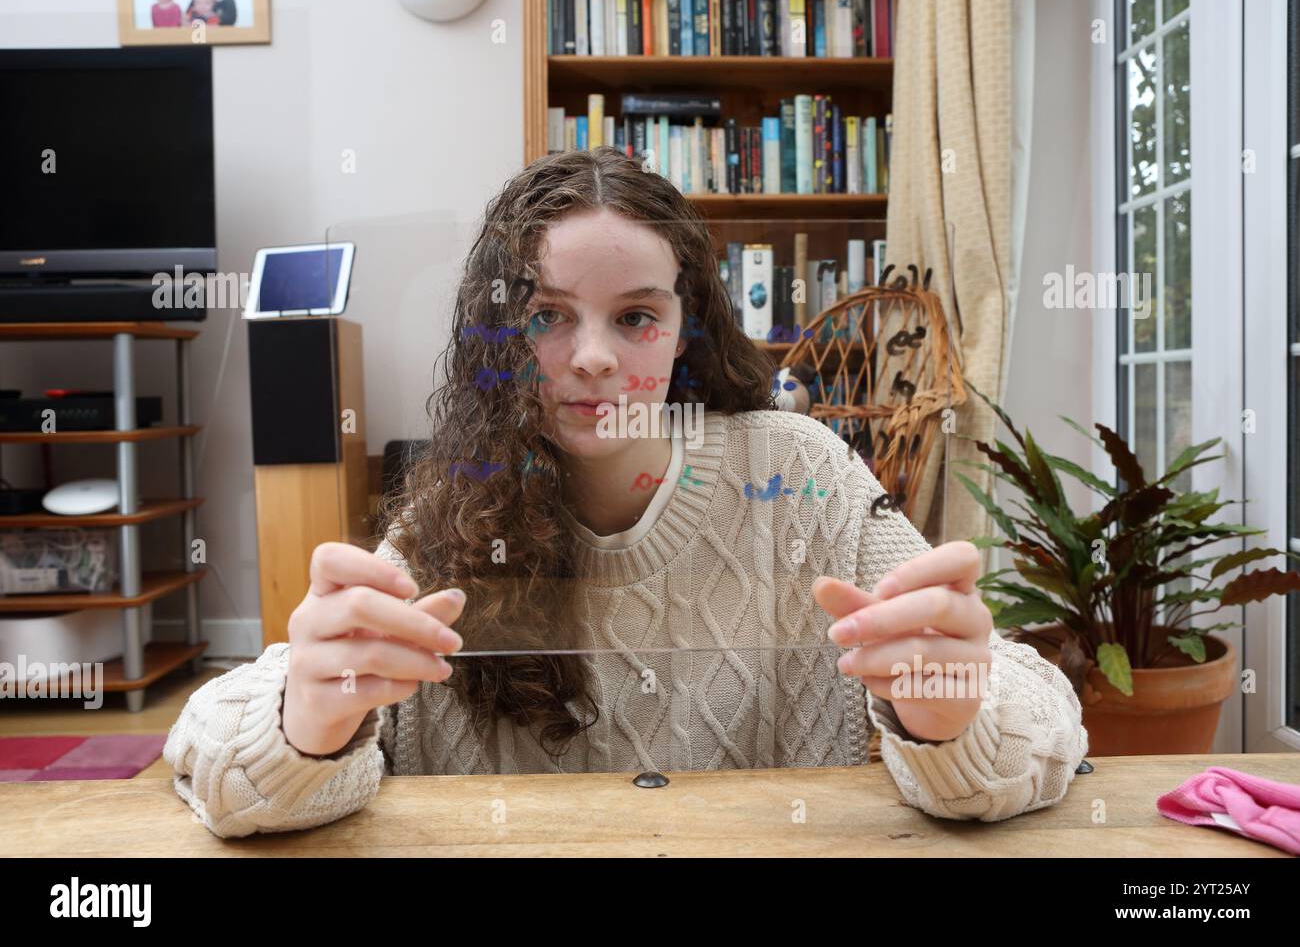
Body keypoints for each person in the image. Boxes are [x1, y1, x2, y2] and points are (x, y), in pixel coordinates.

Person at [164, 147, 1088, 838]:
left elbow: (1042, 724)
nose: (595, 357)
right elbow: (211, 762)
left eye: (636, 317)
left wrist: (949, 717)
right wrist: (308, 727)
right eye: (546, 317)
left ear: (686, 331)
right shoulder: (456, 505)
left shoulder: (799, 474)